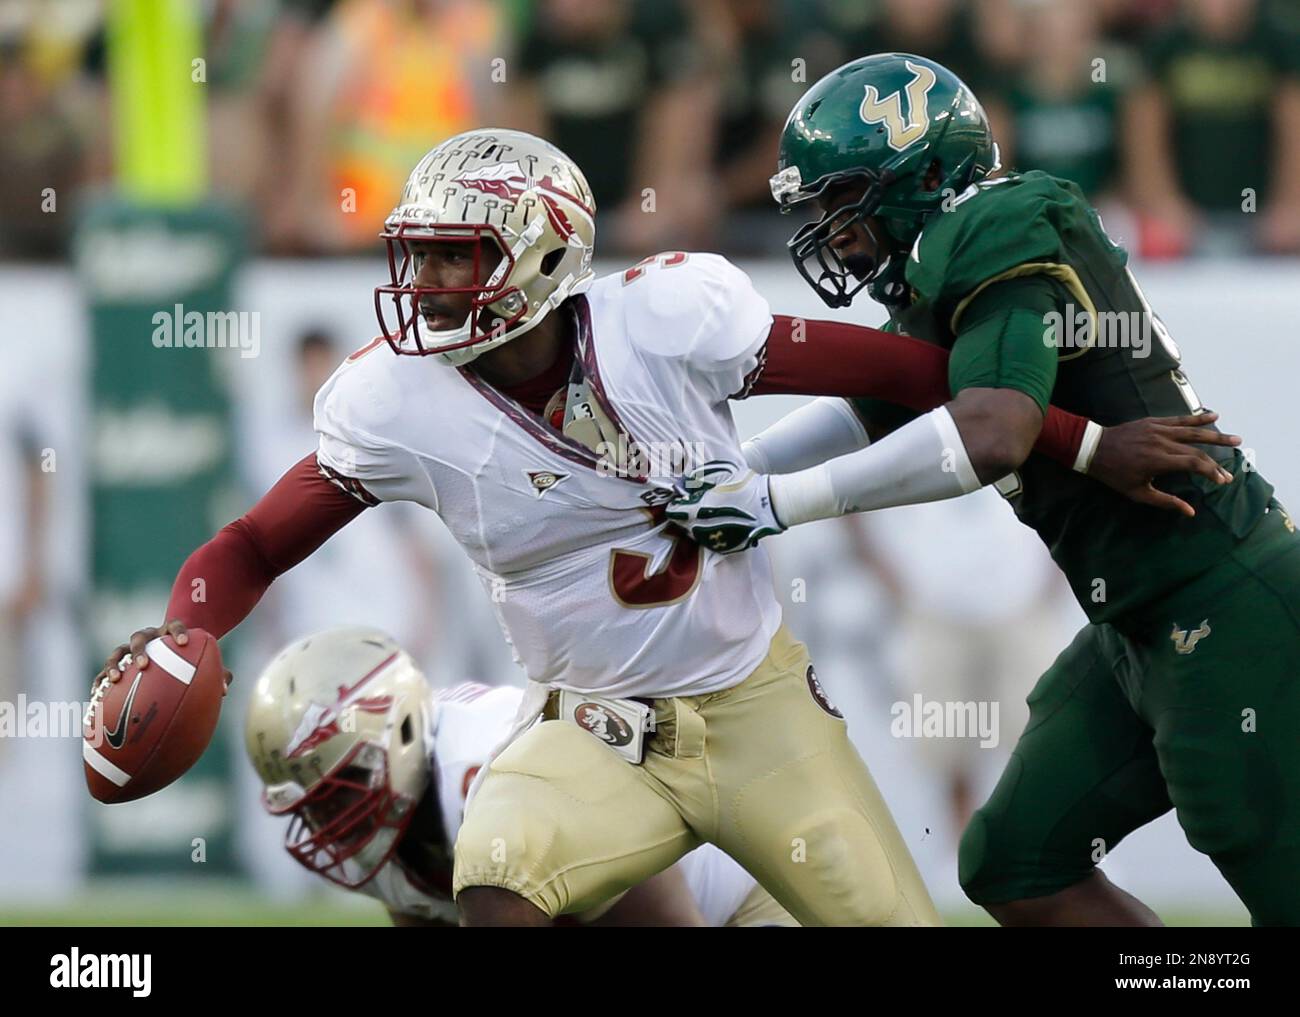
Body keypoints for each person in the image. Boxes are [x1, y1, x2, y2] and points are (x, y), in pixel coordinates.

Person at [94, 128, 1226, 927]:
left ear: (538, 252)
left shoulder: (663, 319)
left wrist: (1080, 439)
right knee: (496, 872)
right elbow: (247, 547)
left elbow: (905, 373)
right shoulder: (394, 402)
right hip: (587, 725)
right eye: (421, 252)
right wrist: (188, 630)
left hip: (753, 709)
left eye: (458, 254)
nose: (428, 281)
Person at [668, 52, 1300, 926]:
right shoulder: (944, 261)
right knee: (1017, 862)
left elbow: (992, 432)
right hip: (1137, 622)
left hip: (1227, 602)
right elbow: (873, 409)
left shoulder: (1002, 226)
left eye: (842, 198)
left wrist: (775, 507)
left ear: (923, 175)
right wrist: (737, 472)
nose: (831, 228)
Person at [245, 625, 798, 926]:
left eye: (339, 795)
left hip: (738, 893)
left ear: (404, 734)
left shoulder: (487, 778)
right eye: (315, 806)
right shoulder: (391, 829)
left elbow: (668, 918)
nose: (329, 825)